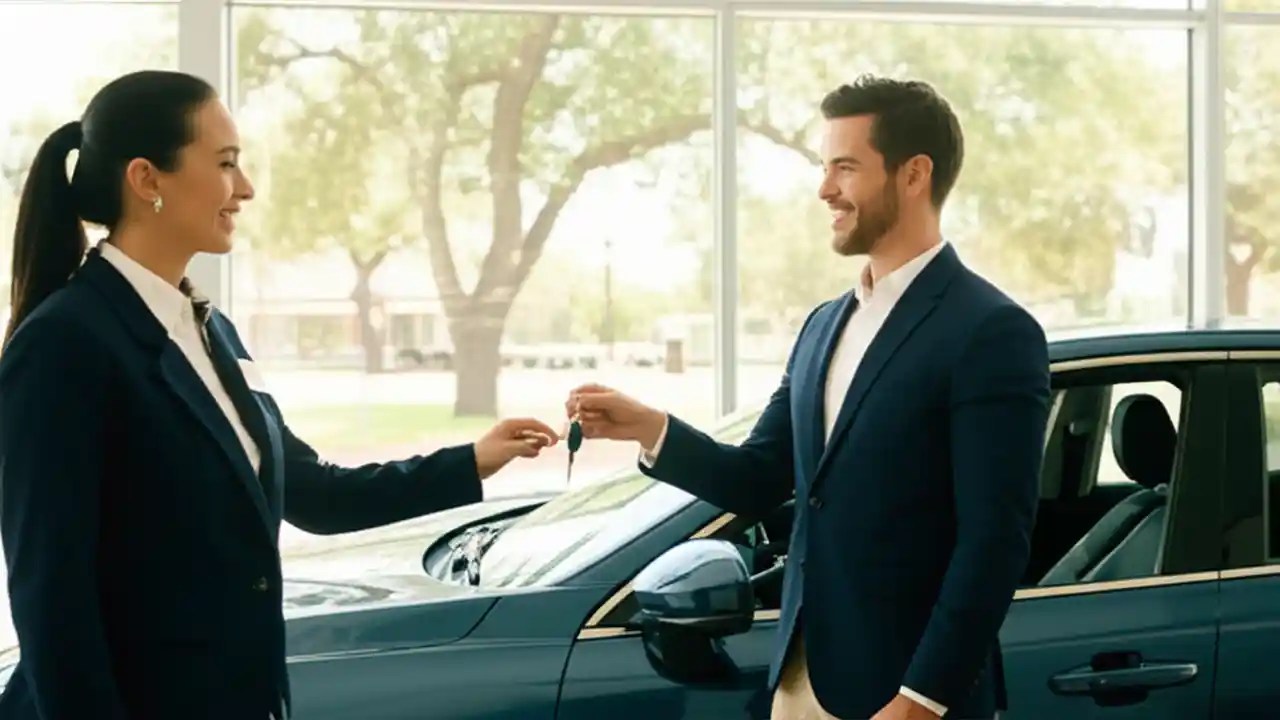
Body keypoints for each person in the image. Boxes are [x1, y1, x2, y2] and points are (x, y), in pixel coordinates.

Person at [0, 70, 557, 720]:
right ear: (147, 179)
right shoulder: (65, 343)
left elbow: (316, 492)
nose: (246, 188)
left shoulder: (210, 331)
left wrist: (473, 460)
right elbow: (52, 599)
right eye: (227, 163)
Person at [567, 76, 1050, 720]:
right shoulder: (824, 325)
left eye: (845, 168)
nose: (825, 189)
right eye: (825, 168)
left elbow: (994, 541)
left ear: (914, 175)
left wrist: (922, 699)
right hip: (801, 679)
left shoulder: (991, 331)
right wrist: (650, 428)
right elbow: (758, 478)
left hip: (908, 693)